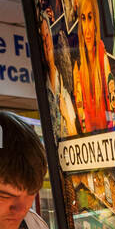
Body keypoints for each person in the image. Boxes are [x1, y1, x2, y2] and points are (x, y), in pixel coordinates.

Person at [73, 0, 113, 134]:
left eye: (90, 17)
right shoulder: (77, 68)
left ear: (96, 20)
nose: (87, 28)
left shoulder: (105, 60)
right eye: (83, 18)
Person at [40, 11, 78, 139]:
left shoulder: (63, 83)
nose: (46, 42)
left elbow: (74, 132)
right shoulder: (42, 88)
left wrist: (66, 116)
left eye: (47, 35)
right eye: (42, 38)